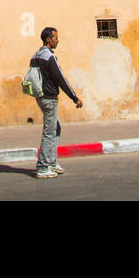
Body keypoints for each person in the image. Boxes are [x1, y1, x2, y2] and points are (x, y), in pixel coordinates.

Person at [30, 27, 83, 180]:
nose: (57, 41)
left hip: (40, 96)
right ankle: (43, 166)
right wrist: (74, 97)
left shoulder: (35, 56)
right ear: (48, 40)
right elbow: (60, 79)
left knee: (55, 127)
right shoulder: (49, 57)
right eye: (55, 38)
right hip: (49, 97)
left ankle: (51, 162)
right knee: (49, 131)